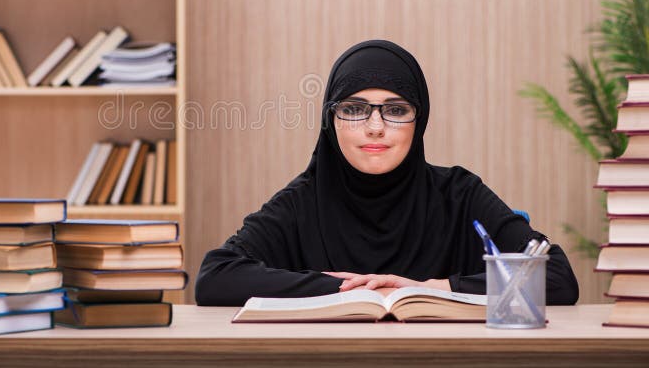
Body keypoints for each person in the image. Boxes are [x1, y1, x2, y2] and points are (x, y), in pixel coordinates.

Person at [195, 39, 579, 306]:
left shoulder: (460, 195)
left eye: (395, 110)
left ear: (419, 120)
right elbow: (215, 277)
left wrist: (433, 289)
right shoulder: (302, 201)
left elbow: (558, 277)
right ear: (332, 121)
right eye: (354, 108)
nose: (375, 126)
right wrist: (344, 289)